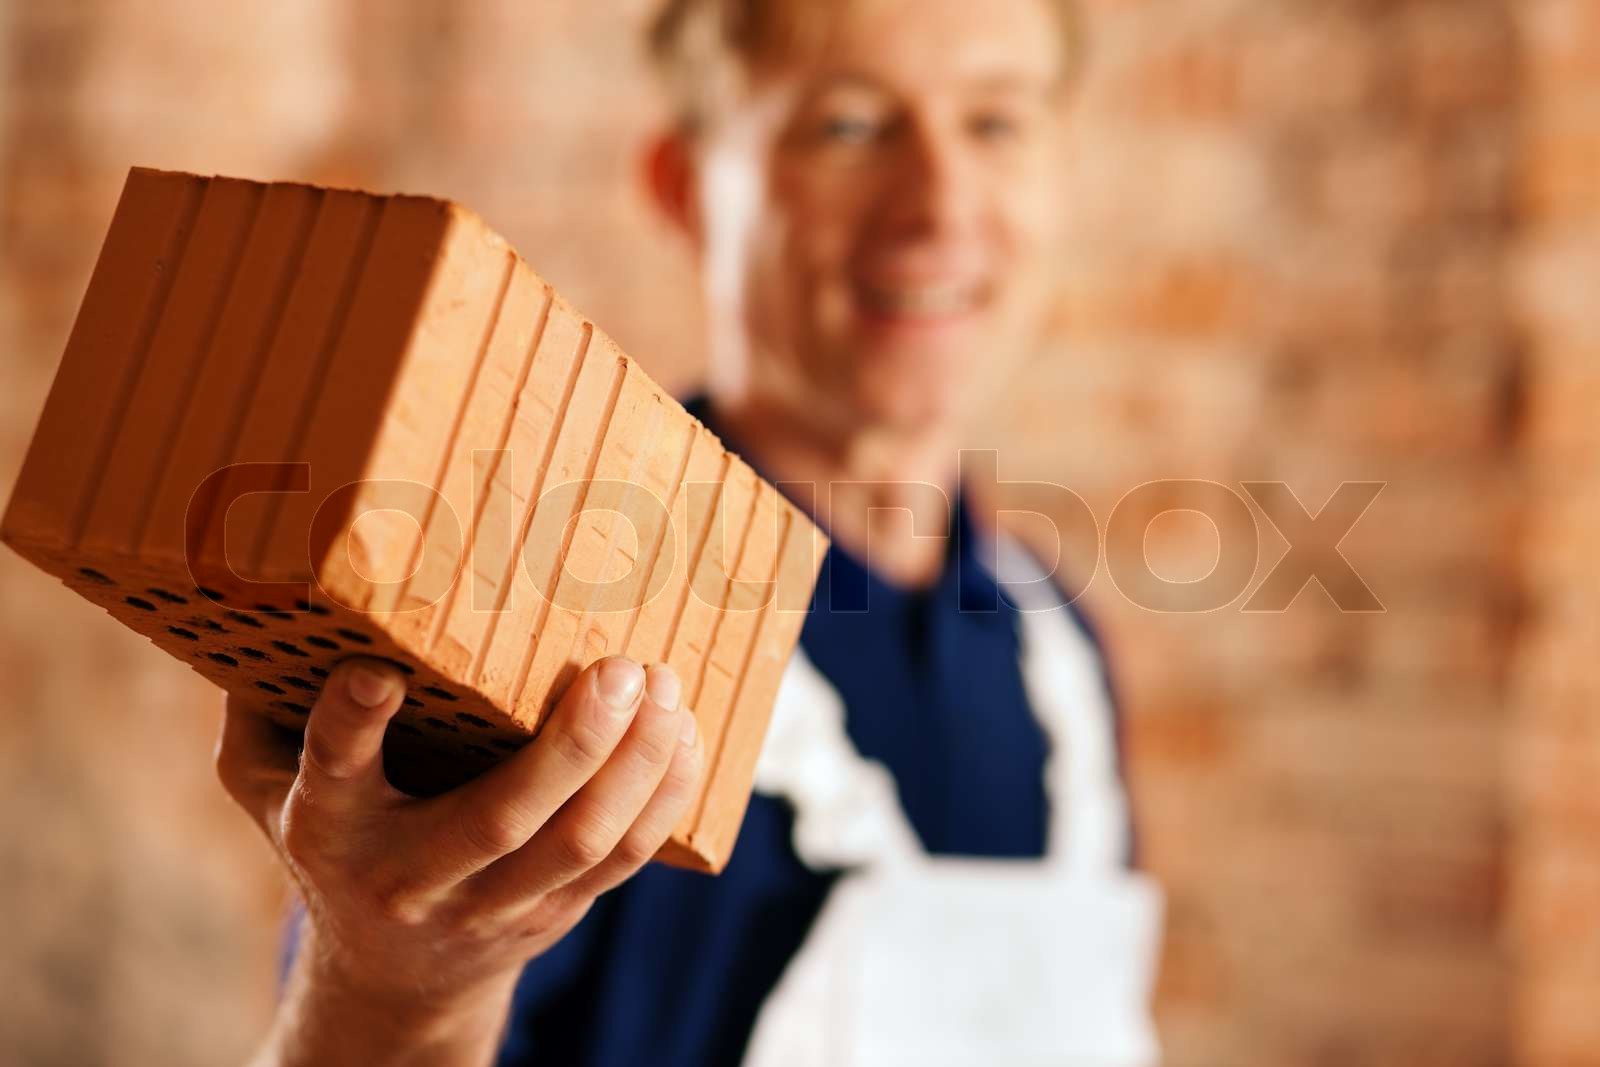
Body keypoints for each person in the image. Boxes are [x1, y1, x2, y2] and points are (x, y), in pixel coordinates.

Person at [216, 0, 1163, 1064]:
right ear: (686, 187)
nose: (940, 206)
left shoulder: (1057, 661)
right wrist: (394, 990)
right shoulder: (540, 611)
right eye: (848, 126)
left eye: (996, 123)